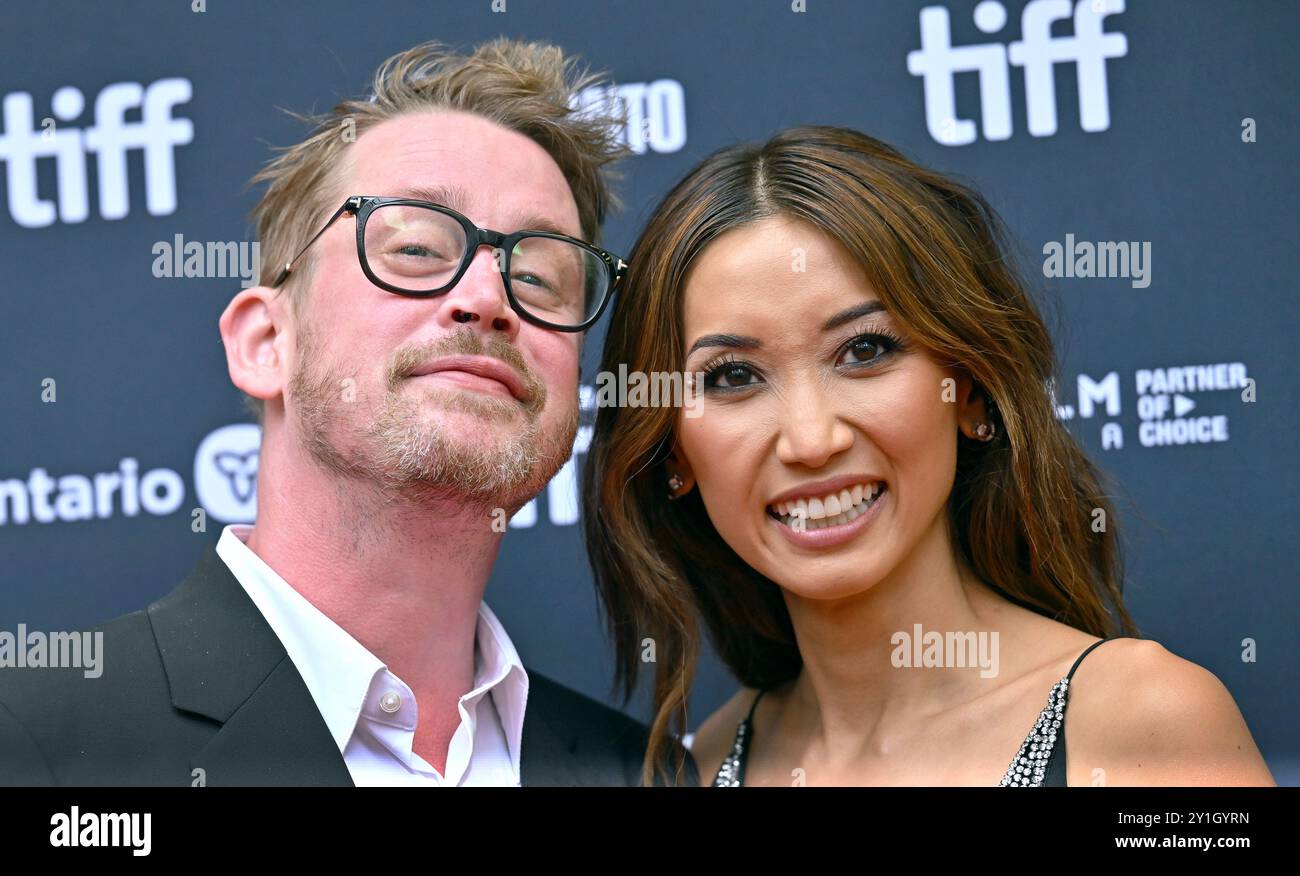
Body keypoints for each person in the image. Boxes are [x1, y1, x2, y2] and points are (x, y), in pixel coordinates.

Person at [0, 38, 696, 787]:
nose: (489, 300)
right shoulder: (34, 741)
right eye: (420, 249)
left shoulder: (642, 774)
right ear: (266, 342)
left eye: (537, 276)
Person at [581, 125, 1274, 787]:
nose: (813, 439)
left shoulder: (1143, 721)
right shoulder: (700, 766)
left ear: (969, 392)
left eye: (865, 350)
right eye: (732, 376)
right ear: (671, 451)